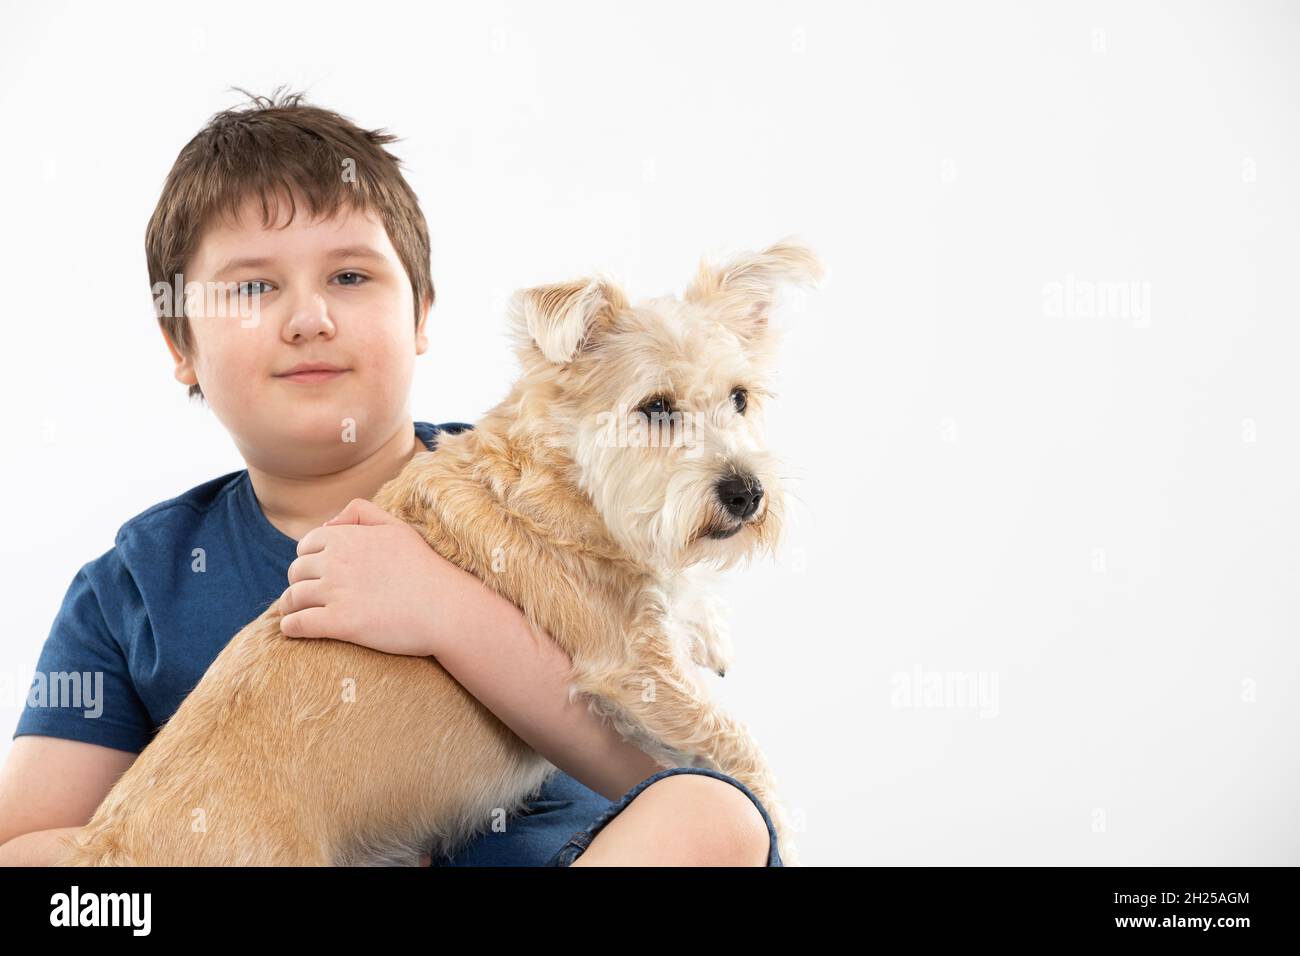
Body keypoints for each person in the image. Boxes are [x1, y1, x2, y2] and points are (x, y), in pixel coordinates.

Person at [0, 87, 781, 867]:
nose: (309, 319)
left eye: (349, 277)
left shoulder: (561, 486)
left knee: (710, 815)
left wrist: (449, 615)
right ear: (180, 346)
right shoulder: (133, 586)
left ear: (421, 318)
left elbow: (664, 770)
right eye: (252, 287)